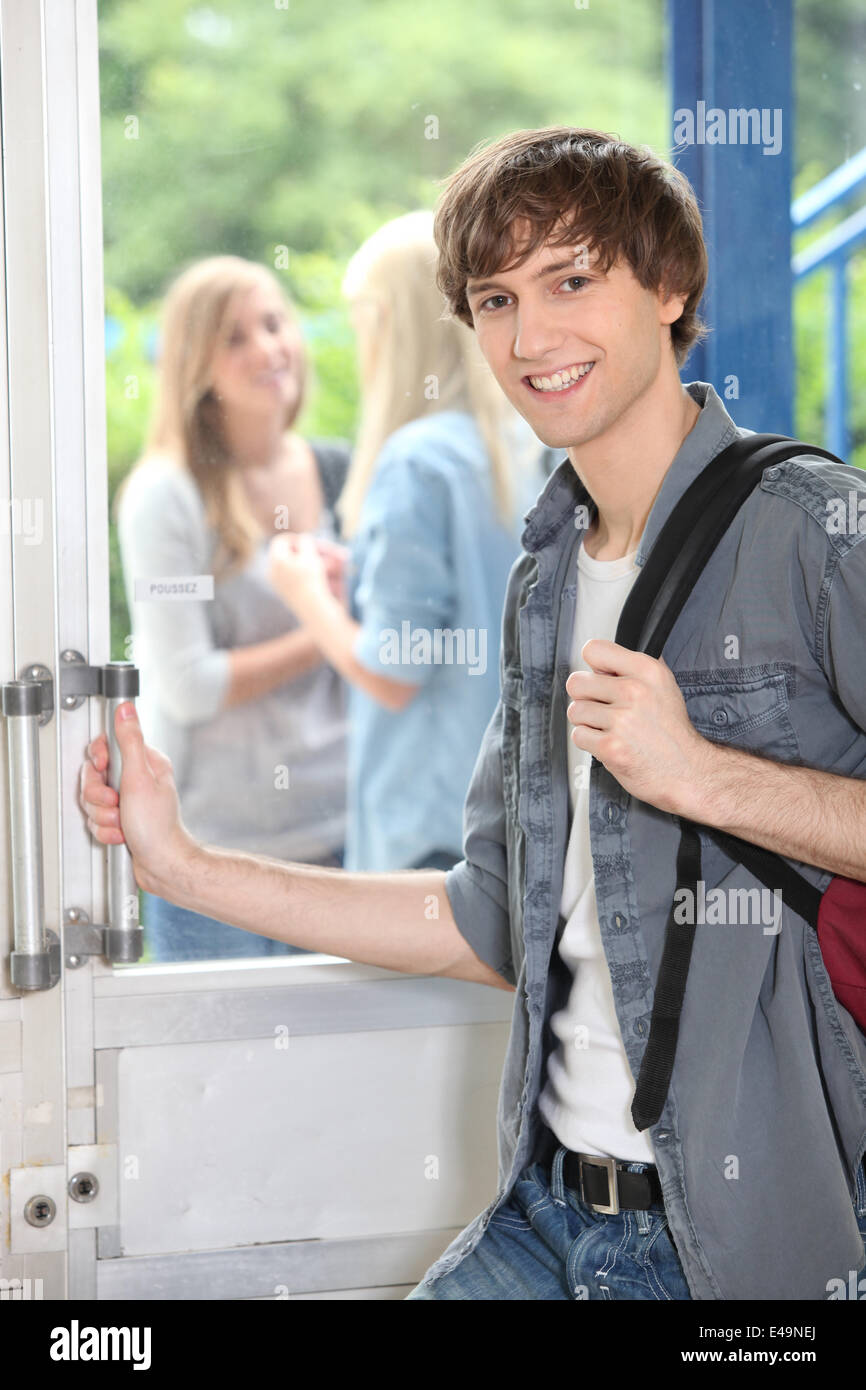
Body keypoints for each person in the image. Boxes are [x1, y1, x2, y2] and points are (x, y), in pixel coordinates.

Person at [80, 127, 866, 1300]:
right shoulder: (542, 576)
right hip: (544, 1211)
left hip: (734, 1255)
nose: (528, 337)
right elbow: (481, 920)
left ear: (668, 287)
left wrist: (699, 775)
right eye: (494, 298)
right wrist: (181, 865)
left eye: (569, 280)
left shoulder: (809, 527)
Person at [266, 211, 541, 873]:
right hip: (507, 820)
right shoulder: (522, 447)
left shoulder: (414, 464)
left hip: (423, 836)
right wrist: (360, 578)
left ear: (393, 324)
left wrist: (310, 600)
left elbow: (392, 676)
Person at [114, 255, 349, 961]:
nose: (268, 348)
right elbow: (188, 685)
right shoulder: (167, 497)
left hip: (346, 844)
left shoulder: (337, 470)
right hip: (212, 863)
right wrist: (323, 628)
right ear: (197, 367)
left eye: (275, 323)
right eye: (235, 337)